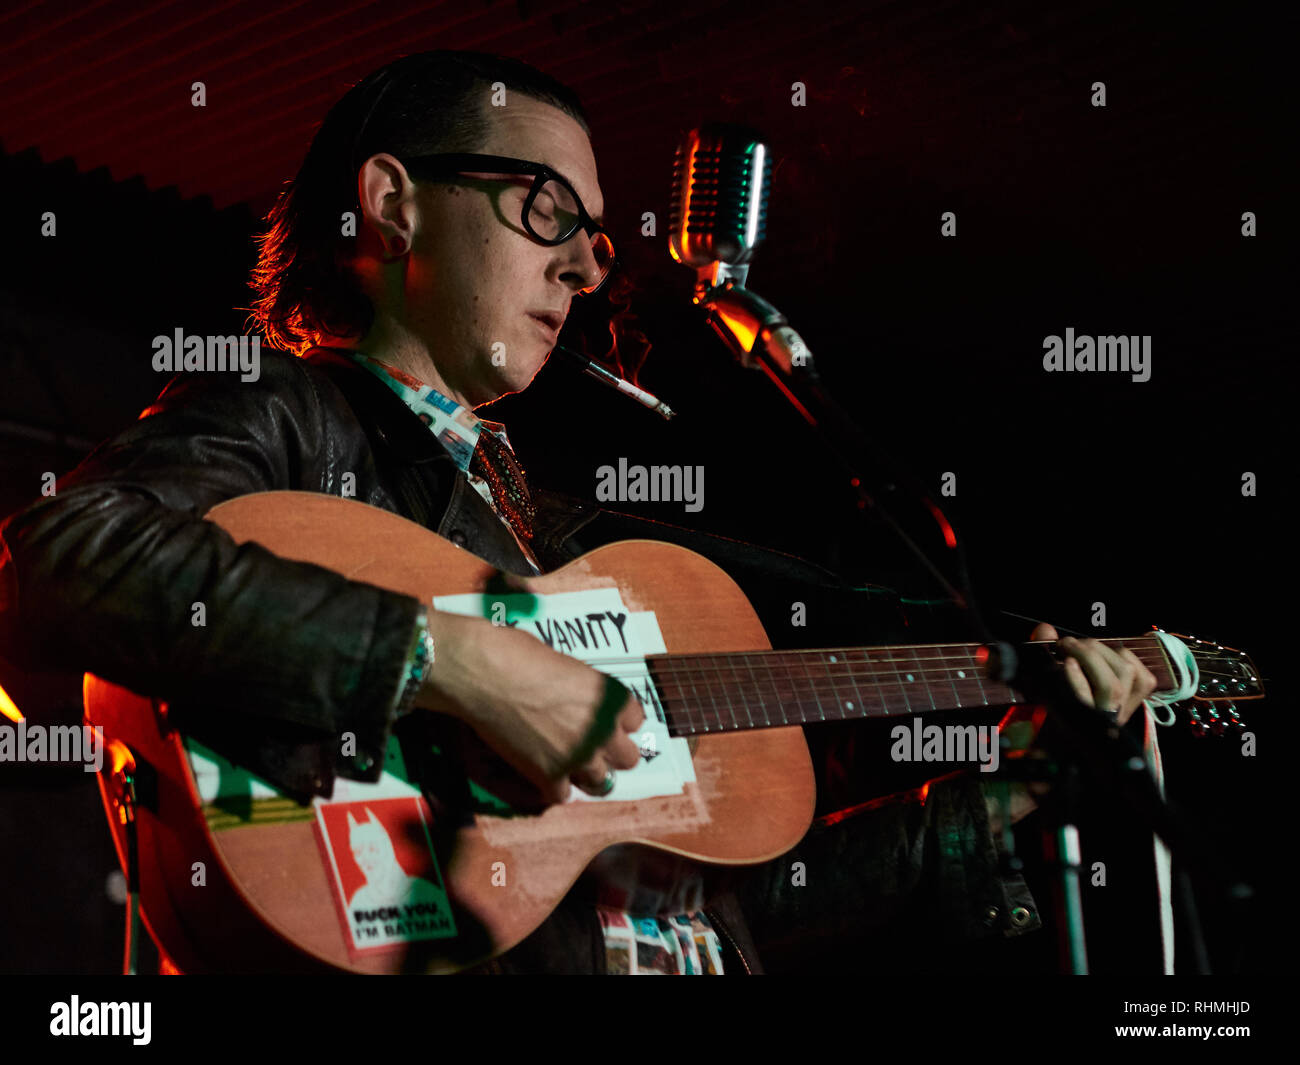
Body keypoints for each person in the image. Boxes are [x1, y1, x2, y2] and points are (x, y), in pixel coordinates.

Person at [0, 50, 1156, 974]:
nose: (588, 270)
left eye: (595, 238)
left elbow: (700, 912)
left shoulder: (554, 536)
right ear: (393, 202)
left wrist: (1003, 802)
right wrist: (459, 663)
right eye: (548, 211)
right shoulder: (290, 416)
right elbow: (67, 556)